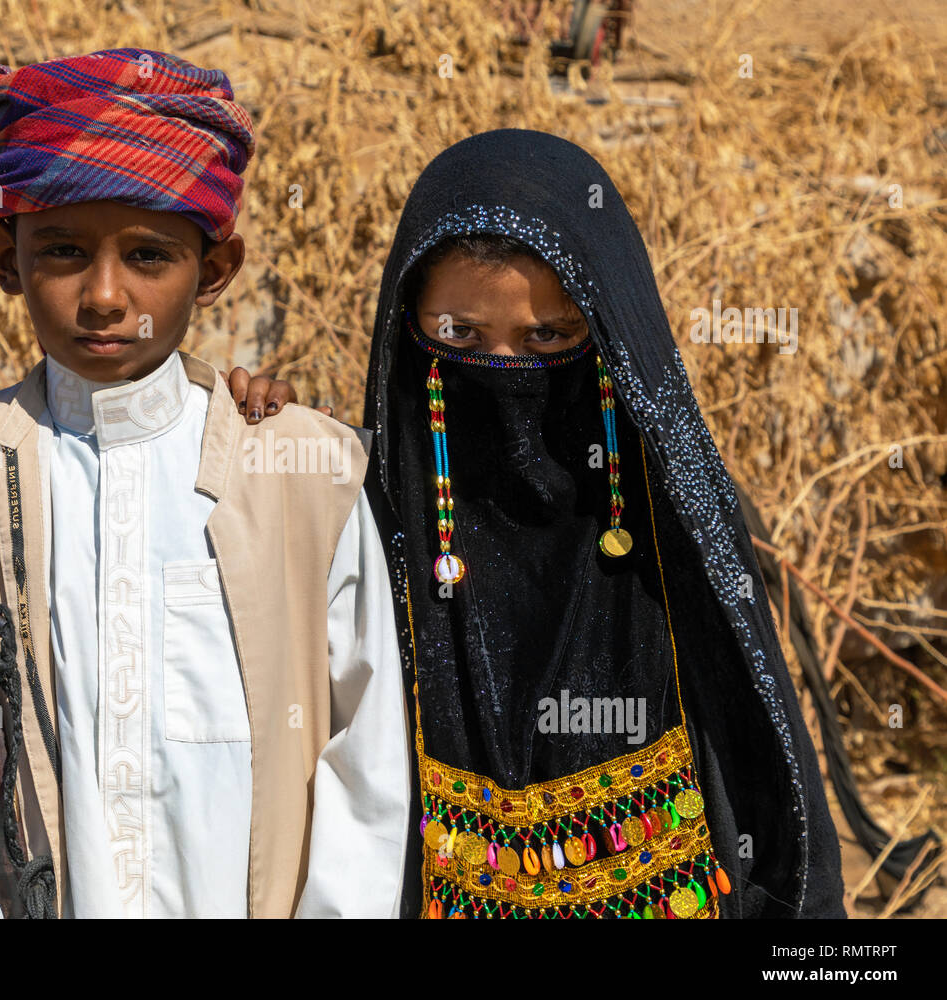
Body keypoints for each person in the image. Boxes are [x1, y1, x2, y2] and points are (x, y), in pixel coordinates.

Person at [0, 48, 411, 918]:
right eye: (65, 250)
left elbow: (365, 760)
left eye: (149, 255)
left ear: (214, 271)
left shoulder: (305, 474)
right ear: (6, 257)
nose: (105, 295)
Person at [248, 129, 844, 918]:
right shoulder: (365, 510)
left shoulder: (675, 514)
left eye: (549, 338)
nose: (503, 370)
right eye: (459, 335)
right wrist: (258, 432)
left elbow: (766, 779)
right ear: (407, 328)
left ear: (607, 333)